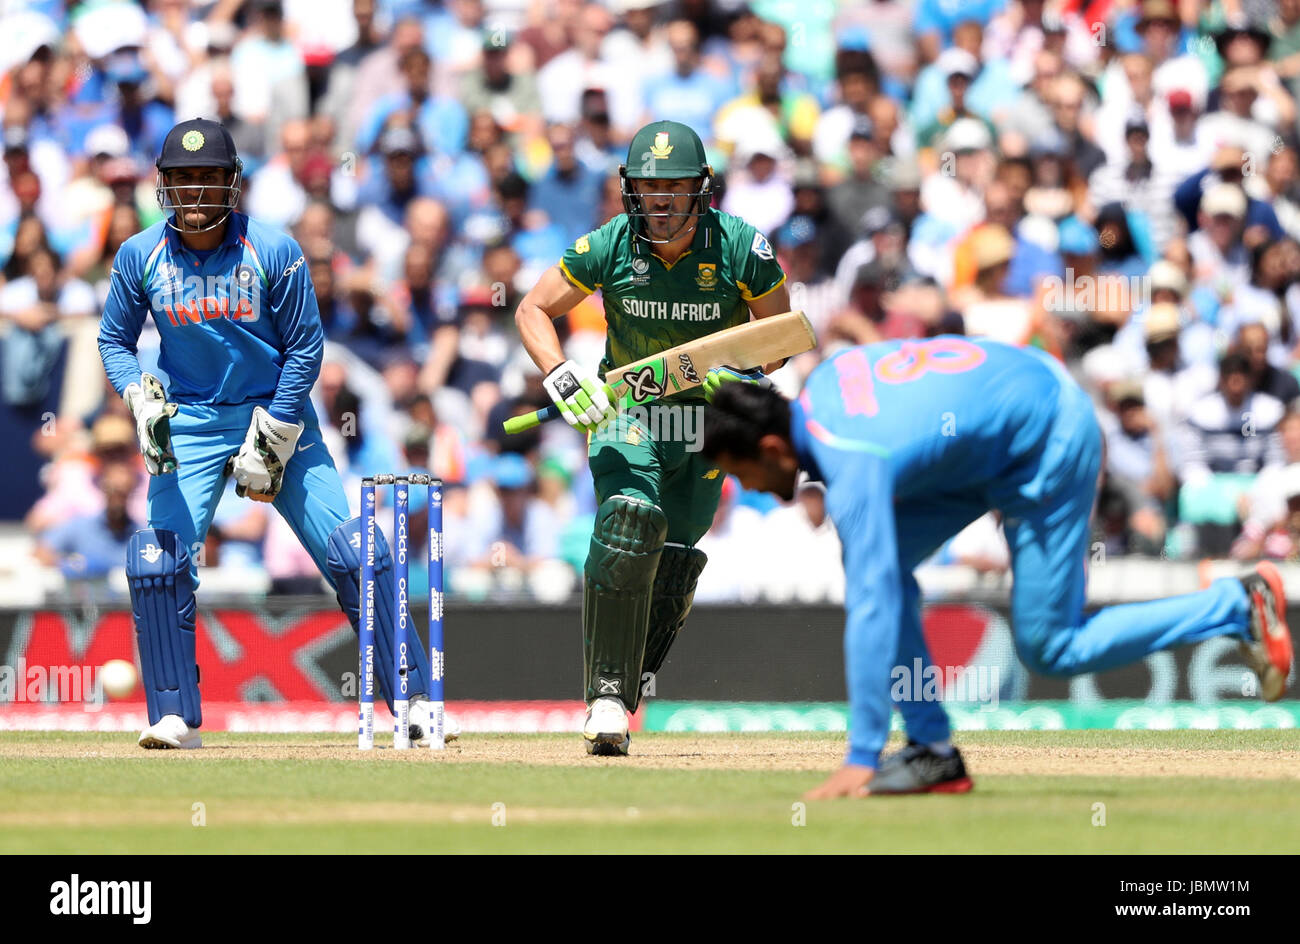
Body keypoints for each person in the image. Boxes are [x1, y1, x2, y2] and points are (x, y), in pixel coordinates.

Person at [701, 337, 1293, 797]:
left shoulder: (852, 462)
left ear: (772, 449)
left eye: (738, 471)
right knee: (883, 566)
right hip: (1004, 418)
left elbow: (872, 607)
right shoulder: (827, 380)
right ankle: (932, 751)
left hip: (1049, 434)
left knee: (1050, 647)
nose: (744, 486)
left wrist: (861, 756)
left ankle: (1236, 605)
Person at [97, 119, 456, 749]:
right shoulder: (139, 254)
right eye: (182, 178)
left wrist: (278, 429)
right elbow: (113, 341)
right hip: (190, 420)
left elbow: (306, 347)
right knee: (158, 562)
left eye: (208, 177)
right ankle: (175, 716)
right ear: (164, 184)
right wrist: (135, 392)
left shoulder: (273, 250)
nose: (195, 191)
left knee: (357, 553)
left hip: (276, 410)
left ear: (232, 182)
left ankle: (415, 703)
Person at [513, 119, 790, 755]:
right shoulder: (610, 243)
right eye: (648, 186)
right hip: (627, 413)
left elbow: (780, 337)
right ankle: (606, 697)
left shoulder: (741, 246)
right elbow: (532, 309)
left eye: (675, 186)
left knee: (674, 558)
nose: (660, 199)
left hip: (705, 425)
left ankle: (627, 683)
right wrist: (560, 375)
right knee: (629, 521)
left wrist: (746, 374)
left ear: (702, 188)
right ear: (629, 188)